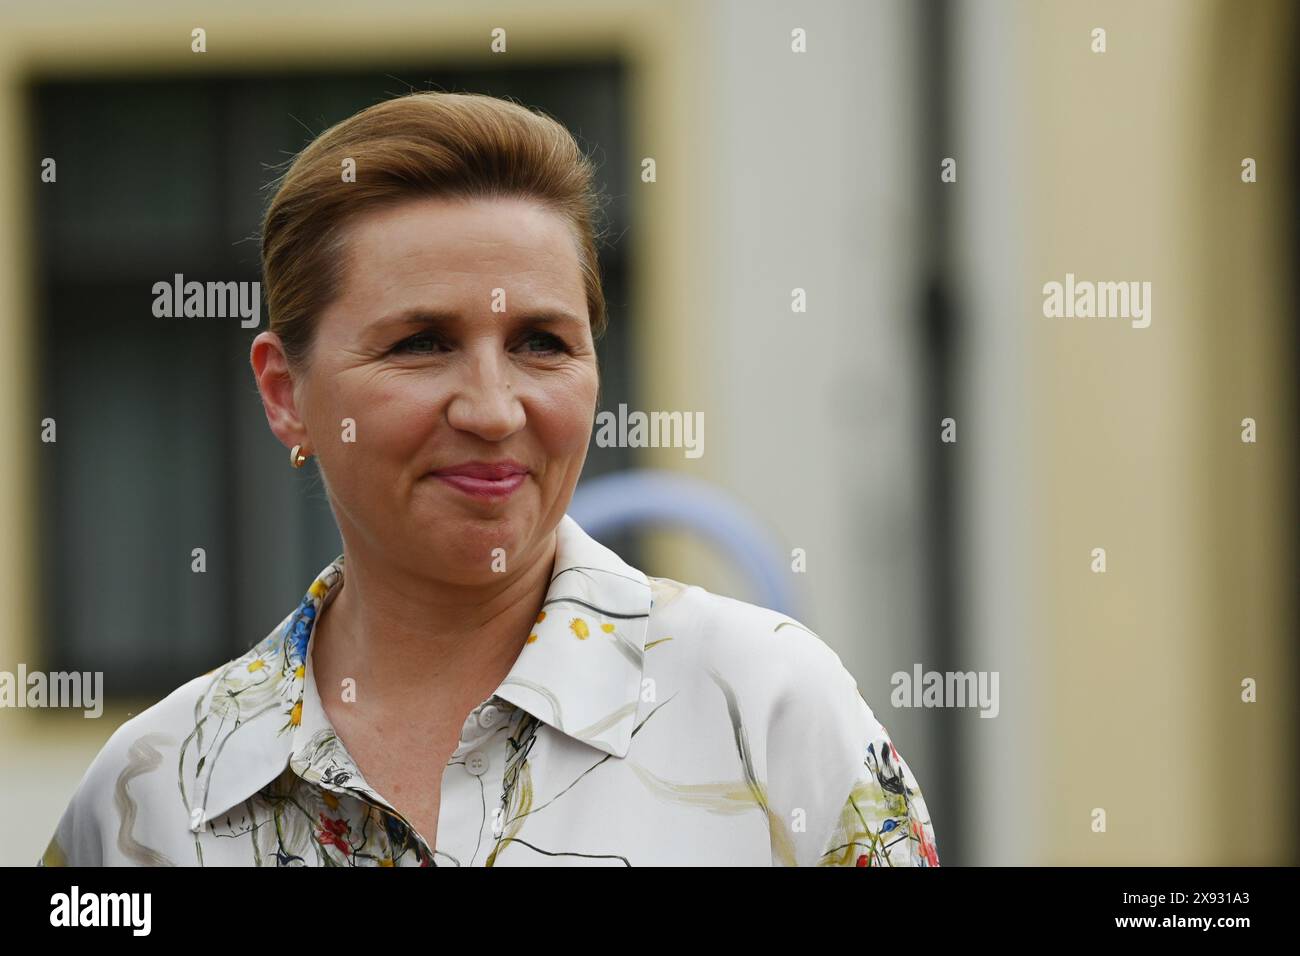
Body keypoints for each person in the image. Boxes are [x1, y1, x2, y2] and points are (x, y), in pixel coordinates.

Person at [40, 91, 939, 867]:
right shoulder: (150, 802)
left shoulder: (770, 716)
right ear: (286, 394)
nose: (494, 409)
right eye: (422, 343)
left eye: (541, 344)